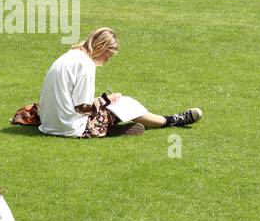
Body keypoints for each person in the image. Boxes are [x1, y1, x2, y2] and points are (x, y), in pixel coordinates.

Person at [37, 27, 202, 139]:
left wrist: (103, 100)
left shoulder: (70, 56)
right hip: (69, 128)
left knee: (114, 103)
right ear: (101, 48)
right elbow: (82, 108)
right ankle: (171, 120)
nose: (107, 60)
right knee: (124, 103)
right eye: (108, 55)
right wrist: (106, 100)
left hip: (49, 123)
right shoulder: (86, 65)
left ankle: (113, 129)